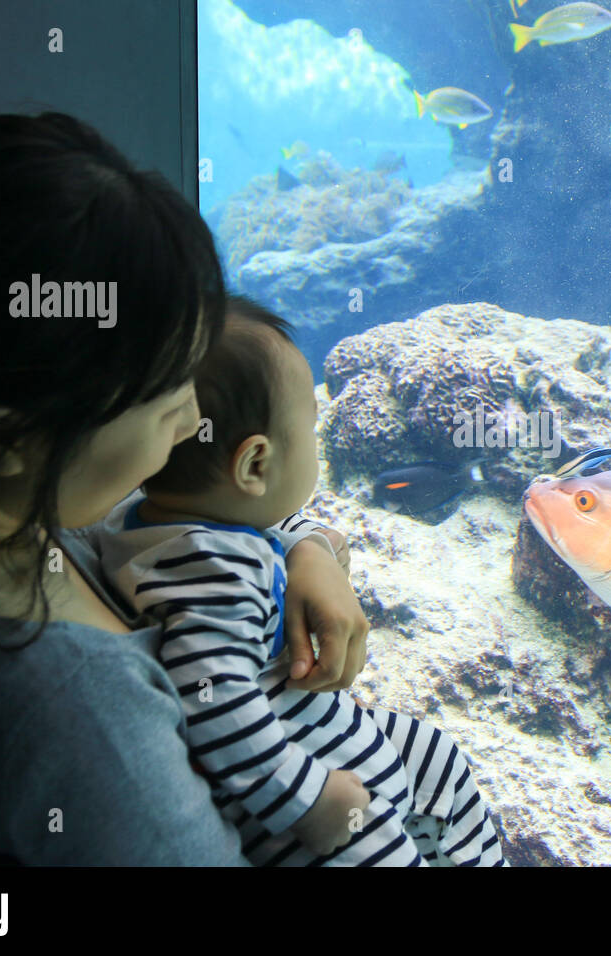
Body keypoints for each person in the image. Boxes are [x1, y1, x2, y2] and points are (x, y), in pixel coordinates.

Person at [0, 112, 506, 865]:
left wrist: (307, 552)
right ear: (6, 440)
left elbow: (185, 526)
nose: (195, 420)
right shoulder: (83, 716)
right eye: (169, 399)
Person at [94, 296, 503, 865]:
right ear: (255, 465)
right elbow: (213, 705)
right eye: (310, 429)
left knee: (436, 753)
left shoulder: (142, 514)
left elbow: (269, 525)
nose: (317, 441)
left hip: (335, 743)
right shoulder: (218, 571)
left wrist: (307, 544)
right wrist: (307, 802)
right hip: (315, 811)